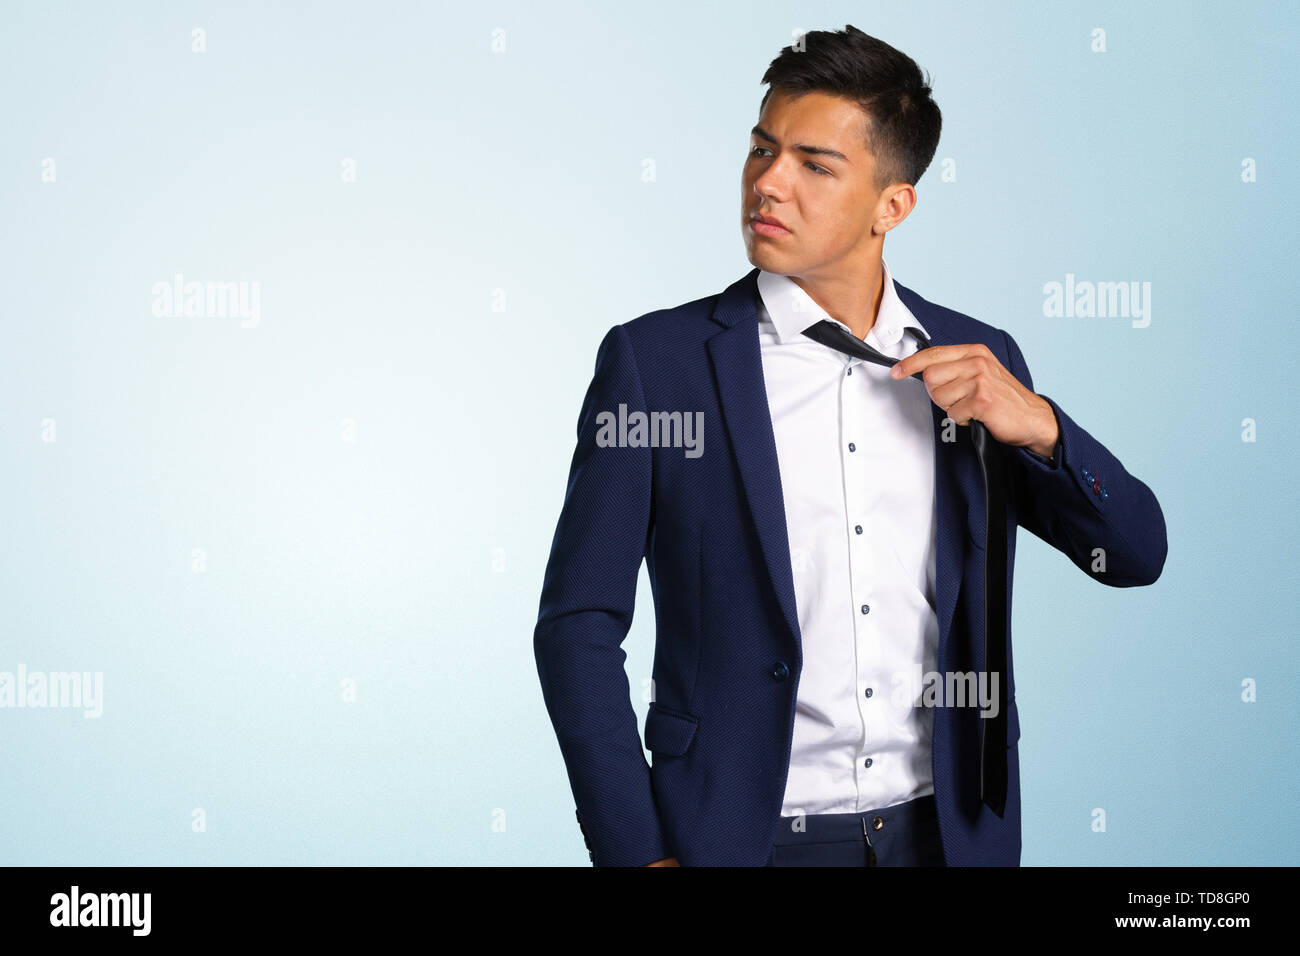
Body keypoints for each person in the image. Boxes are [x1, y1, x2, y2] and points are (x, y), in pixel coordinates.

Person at [533, 25, 1167, 867]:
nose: (769, 184)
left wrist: (1042, 426)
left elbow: (1133, 554)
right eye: (763, 150)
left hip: (949, 837)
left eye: (814, 165)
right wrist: (637, 852)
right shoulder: (658, 366)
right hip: (740, 840)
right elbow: (577, 624)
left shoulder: (981, 363)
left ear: (891, 204)